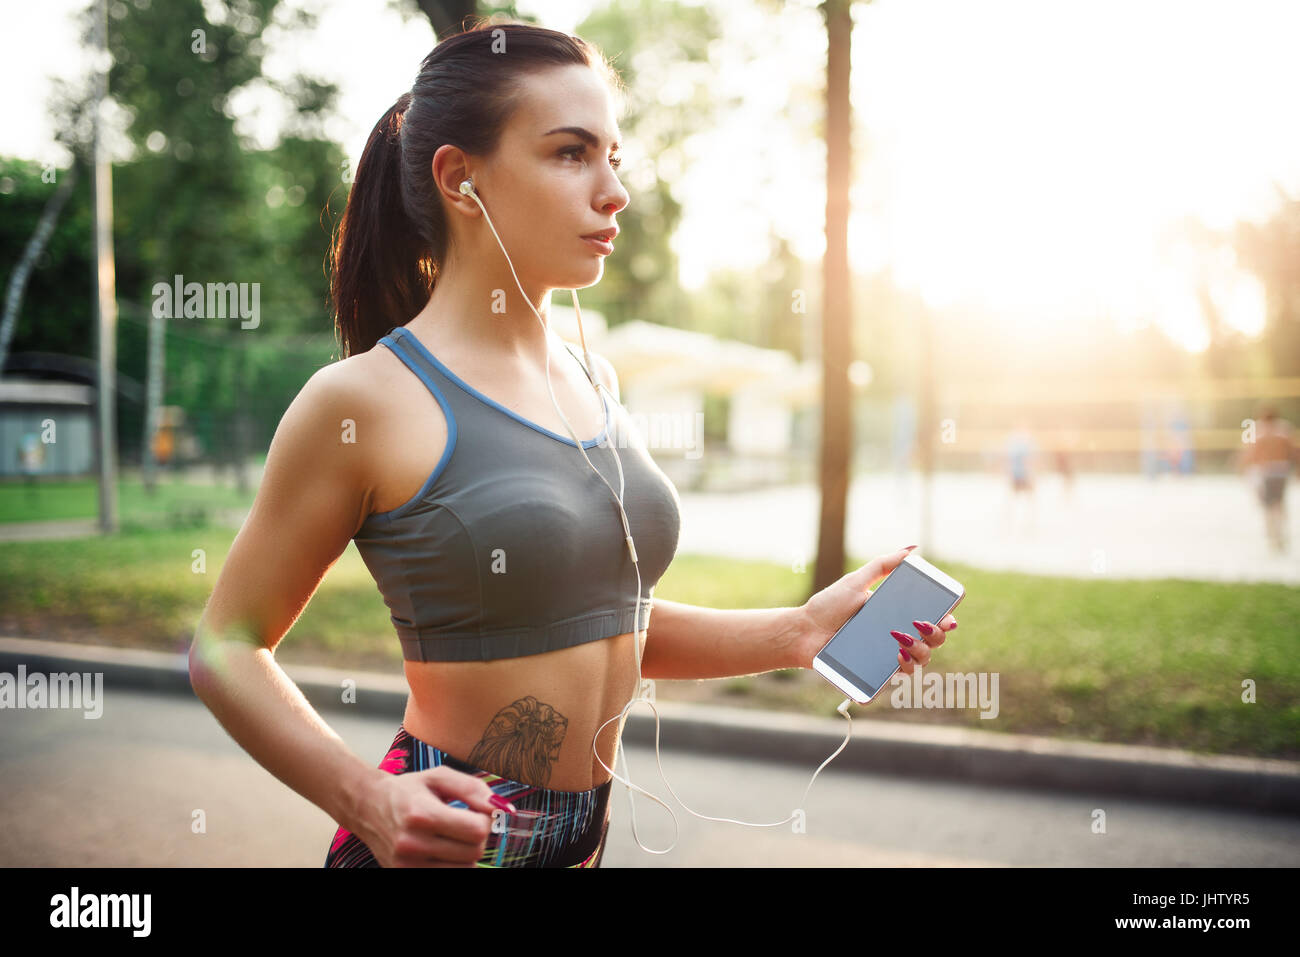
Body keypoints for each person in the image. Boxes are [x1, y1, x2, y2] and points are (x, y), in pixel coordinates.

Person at [188, 18, 958, 869]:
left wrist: (798, 630)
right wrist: (367, 801)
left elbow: (598, 622)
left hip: (583, 841)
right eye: (569, 153)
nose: (614, 191)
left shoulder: (597, 381)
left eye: (613, 157)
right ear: (460, 178)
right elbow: (226, 646)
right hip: (442, 844)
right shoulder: (362, 402)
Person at [1236, 404, 1299, 554]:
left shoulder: (1258, 431)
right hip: (1282, 471)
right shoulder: (1284, 429)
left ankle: (1273, 536)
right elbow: (1295, 451)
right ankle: (1280, 533)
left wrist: (1241, 467)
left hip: (1266, 472)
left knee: (1268, 506)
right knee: (1279, 504)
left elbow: (1250, 453)